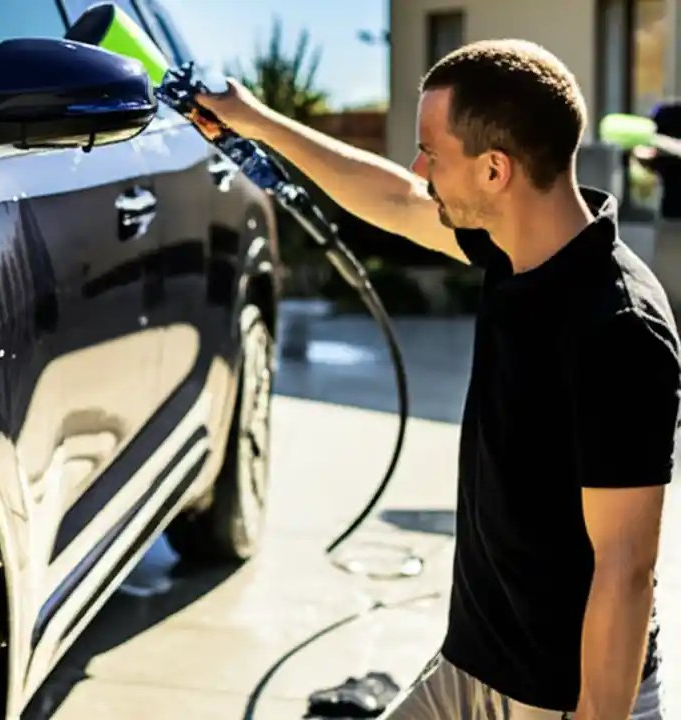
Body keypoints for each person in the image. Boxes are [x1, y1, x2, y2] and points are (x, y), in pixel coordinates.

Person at [192, 39, 680, 719]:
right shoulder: (518, 248)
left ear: (494, 170)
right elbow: (393, 200)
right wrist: (260, 123)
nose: (419, 168)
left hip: (569, 699)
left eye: (432, 151)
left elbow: (626, 570)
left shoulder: (617, 328)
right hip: (471, 666)